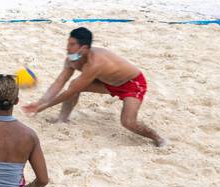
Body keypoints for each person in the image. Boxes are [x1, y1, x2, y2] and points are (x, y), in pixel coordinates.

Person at [22, 27, 165, 146]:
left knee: (128, 122)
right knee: (74, 84)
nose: (67, 47)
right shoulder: (72, 59)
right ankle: (62, 119)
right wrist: (41, 102)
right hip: (108, 83)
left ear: (84, 48)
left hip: (132, 84)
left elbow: (70, 92)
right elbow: (60, 81)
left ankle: (157, 137)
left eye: (72, 45)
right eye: (68, 43)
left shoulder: (95, 63)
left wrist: (44, 107)